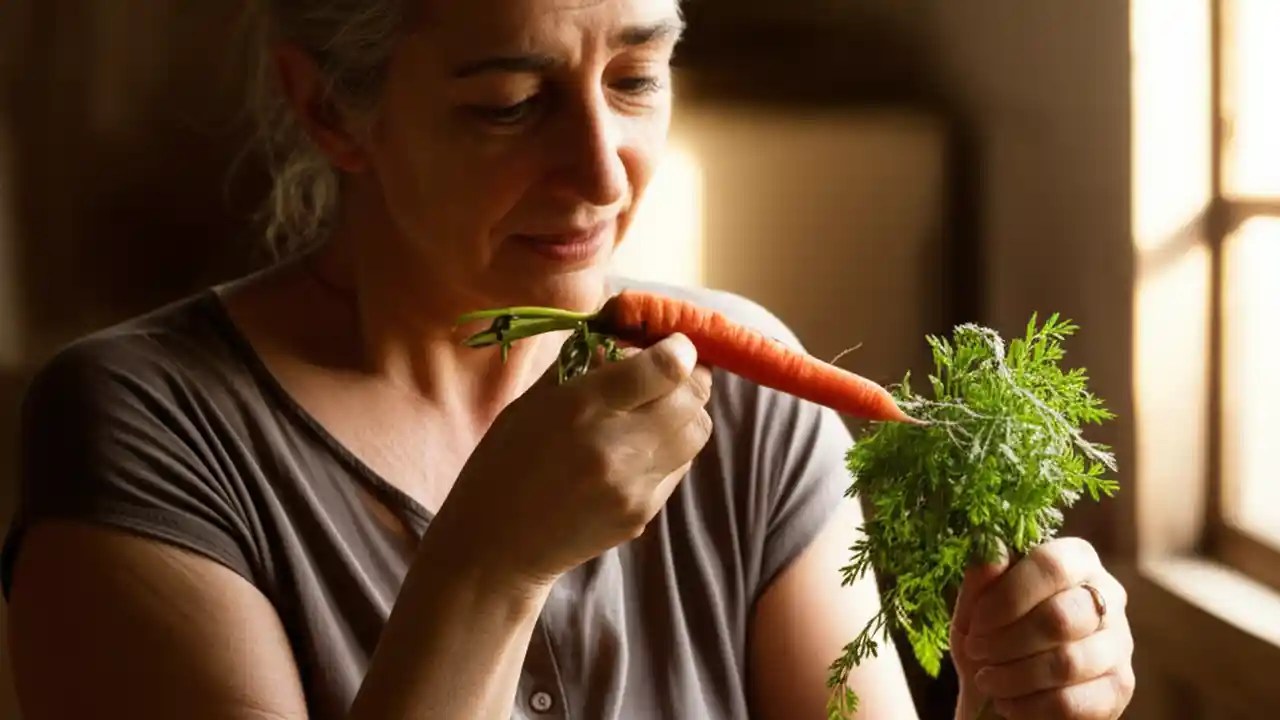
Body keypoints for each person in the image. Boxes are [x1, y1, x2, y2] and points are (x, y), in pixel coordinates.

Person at [1, 1, 1135, 718]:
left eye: (635, 80)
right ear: (331, 112)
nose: (602, 173)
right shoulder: (146, 424)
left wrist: (1006, 707)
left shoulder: (747, 398)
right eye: (508, 104)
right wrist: (487, 569)